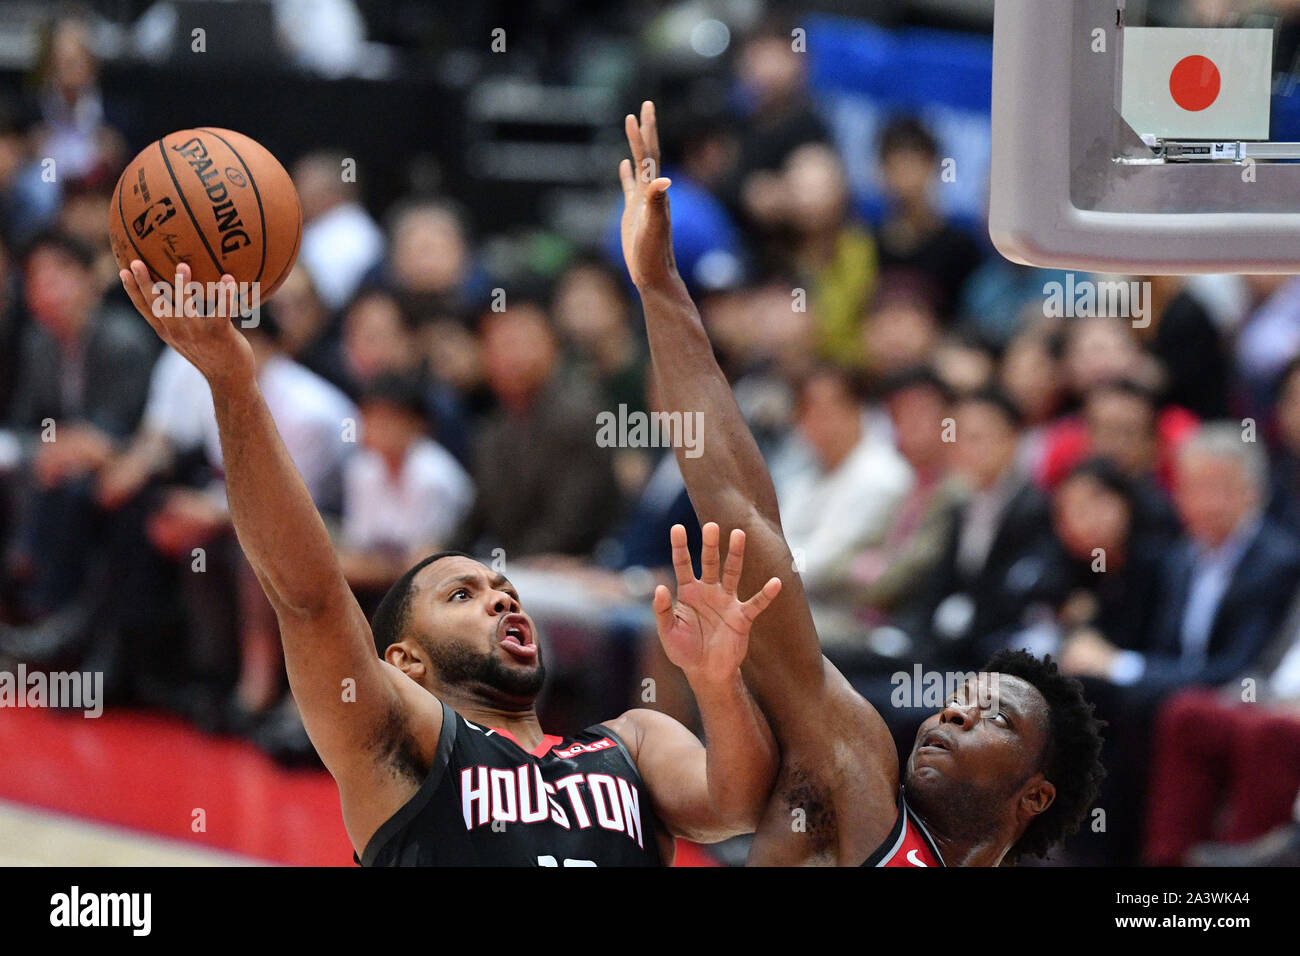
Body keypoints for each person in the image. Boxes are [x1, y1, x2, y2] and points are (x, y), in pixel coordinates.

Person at [114, 260, 783, 867]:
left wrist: (720, 684)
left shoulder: (633, 743)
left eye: (500, 588)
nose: (501, 599)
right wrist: (235, 389)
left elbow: (737, 805)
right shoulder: (402, 751)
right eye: (460, 596)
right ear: (404, 663)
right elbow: (310, 596)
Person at [619, 101, 1105, 866]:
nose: (950, 718)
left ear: (1033, 796)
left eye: (990, 722)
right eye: (958, 701)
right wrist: (661, 288)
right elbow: (743, 510)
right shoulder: (854, 774)